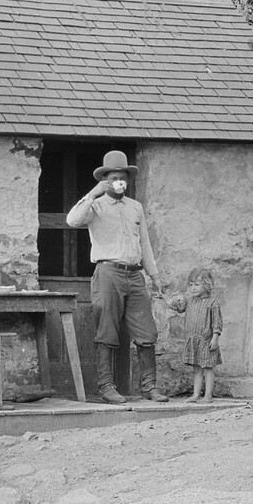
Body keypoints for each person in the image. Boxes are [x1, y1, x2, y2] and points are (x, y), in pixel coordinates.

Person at [66, 150, 168, 404]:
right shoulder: (95, 206)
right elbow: (72, 220)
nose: (119, 182)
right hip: (107, 273)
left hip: (134, 276)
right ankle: (107, 387)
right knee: (107, 331)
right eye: (113, 178)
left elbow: (144, 242)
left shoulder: (135, 207)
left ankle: (149, 386)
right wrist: (93, 192)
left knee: (146, 332)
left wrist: (154, 275)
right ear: (105, 180)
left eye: (122, 177)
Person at [168, 268, 224, 402]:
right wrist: (172, 302)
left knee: (207, 368)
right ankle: (196, 394)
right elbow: (179, 308)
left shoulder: (212, 303)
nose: (193, 288)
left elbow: (217, 322)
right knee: (197, 369)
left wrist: (215, 337)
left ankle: (208, 395)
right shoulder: (190, 301)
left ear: (207, 285)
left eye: (197, 285)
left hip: (206, 340)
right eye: (191, 285)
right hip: (192, 340)